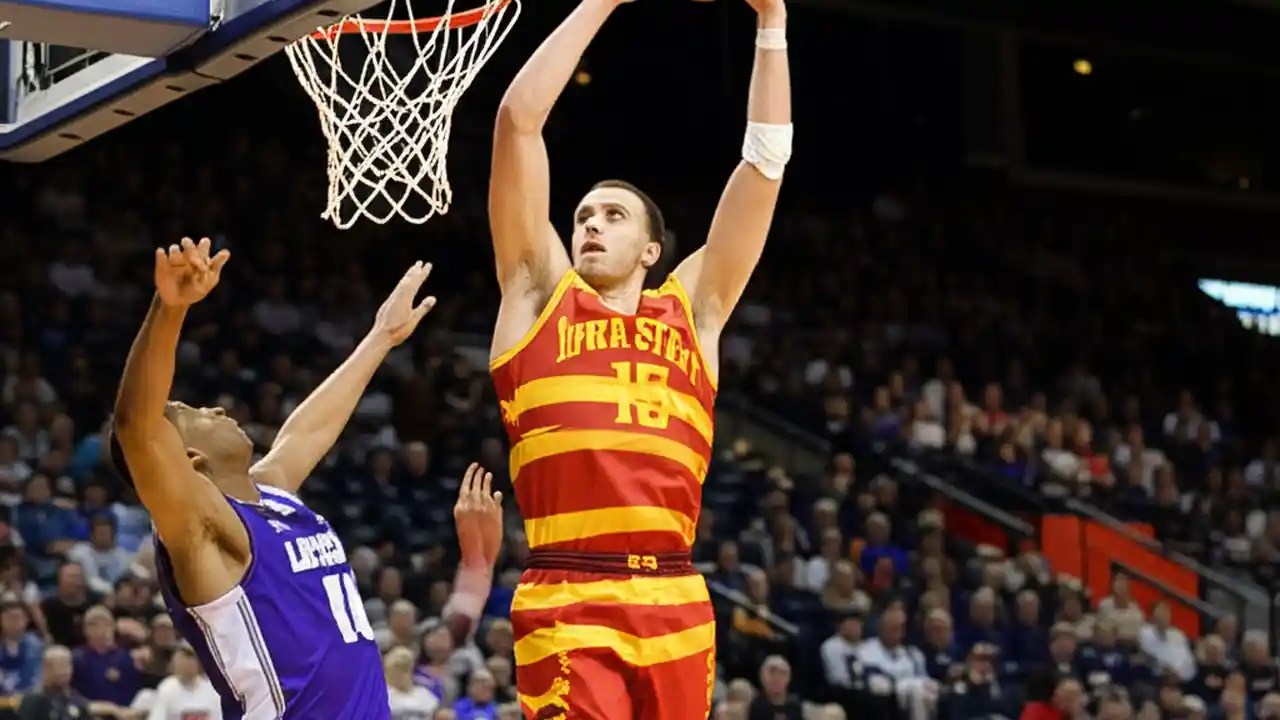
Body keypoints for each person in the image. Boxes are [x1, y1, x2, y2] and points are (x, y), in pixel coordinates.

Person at [485, 0, 792, 714]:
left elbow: (765, 166)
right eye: (583, 215)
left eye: (612, 216)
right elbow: (517, 123)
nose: (590, 223)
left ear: (653, 252)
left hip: (677, 598)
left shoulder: (693, 313)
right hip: (570, 590)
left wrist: (771, 21)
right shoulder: (539, 297)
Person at [110, 238, 438, 718]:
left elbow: (307, 431)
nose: (217, 409)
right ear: (189, 459)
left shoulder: (270, 498)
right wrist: (170, 308)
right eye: (194, 413)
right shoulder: (203, 530)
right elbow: (135, 428)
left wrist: (380, 338)